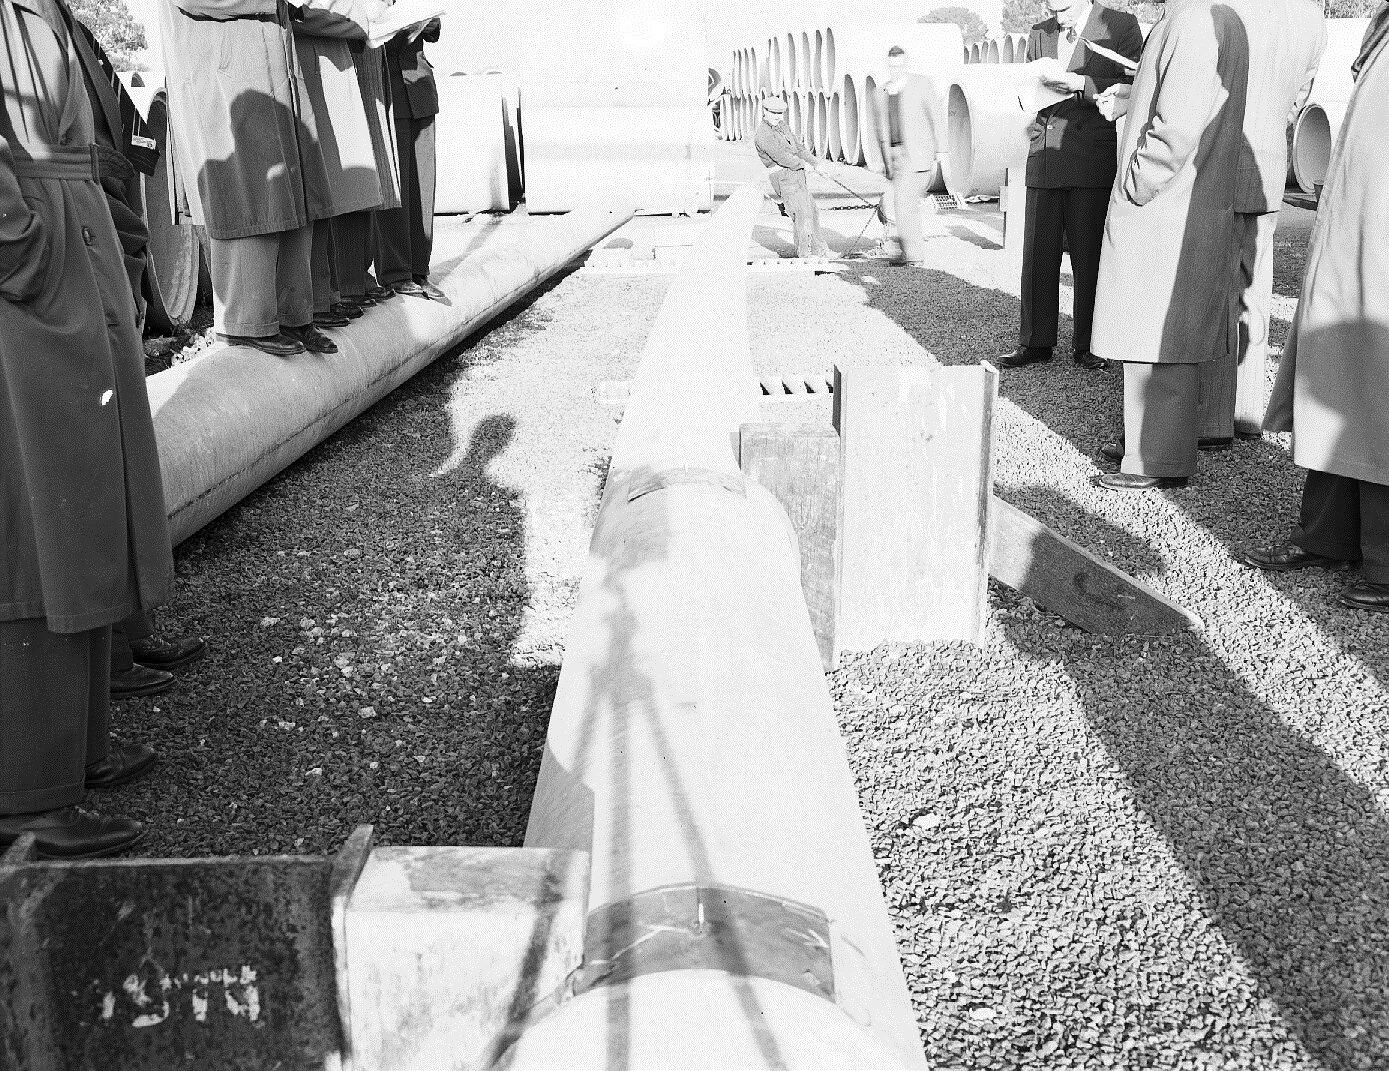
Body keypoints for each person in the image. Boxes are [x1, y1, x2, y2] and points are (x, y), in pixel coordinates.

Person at [2, 0, 174, 857]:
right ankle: (28, 789)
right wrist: (26, 249)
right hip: (34, 267)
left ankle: (74, 754)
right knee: (34, 528)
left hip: (66, 235)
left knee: (79, 507)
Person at [60, 6, 207, 700]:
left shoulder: (93, 19)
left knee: (121, 449)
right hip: (80, 221)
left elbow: (138, 124)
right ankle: (116, 645)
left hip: (107, 215)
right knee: (95, 455)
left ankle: (131, 629)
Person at [1241, 6, 1389, 613]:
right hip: (1354, 234)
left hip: (1379, 247)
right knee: (1337, 379)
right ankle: (1327, 537)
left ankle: (1382, 557)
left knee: (1374, 396)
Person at [1089, 0, 1249, 491]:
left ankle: (1155, 458)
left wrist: (1135, 181)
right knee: (1164, 329)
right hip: (1187, 200)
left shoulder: (1192, 20)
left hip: (1166, 203)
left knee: (1157, 330)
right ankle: (1151, 444)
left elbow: (1175, 127)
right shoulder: (1216, 17)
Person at [158, 0, 337, 356]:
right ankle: (246, 323)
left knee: (291, 192)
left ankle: (293, 316)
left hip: (270, 66)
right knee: (250, 196)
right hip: (227, 71)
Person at [1196, 0, 1326, 446]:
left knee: (1215, 294)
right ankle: (1246, 410)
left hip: (1221, 158)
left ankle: (1212, 420)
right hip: (1268, 159)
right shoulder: (1311, 15)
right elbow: (1299, 97)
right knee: (1255, 289)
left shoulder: (1225, 7)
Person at [1000, 0, 1143, 372]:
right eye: (1052, 9)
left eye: (1063, 10)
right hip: (1044, 154)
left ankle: (1090, 344)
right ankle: (1035, 342)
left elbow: (1139, 86)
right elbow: (1032, 90)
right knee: (1037, 256)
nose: (1056, 16)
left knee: (1089, 256)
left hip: (1088, 156)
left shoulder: (1119, 25)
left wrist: (1082, 84)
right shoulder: (1039, 33)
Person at [293, 0, 389, 333]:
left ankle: (328, 293)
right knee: (322, 186)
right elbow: (300, 11)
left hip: (329, 60)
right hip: (309, 62)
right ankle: (321, 297)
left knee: (334, 186)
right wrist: (364, 20)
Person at [376, 18, 445, 301]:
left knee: (423, 186)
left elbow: (435, 29)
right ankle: (396, 273)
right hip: (387, 85)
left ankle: (419, 269)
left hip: (419, 86)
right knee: (395, 183)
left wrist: (426, 22)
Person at [873, 45, 943, 267]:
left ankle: (912, 254)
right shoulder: (880, 92)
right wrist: (884, 161)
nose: (896, 70)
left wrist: (941, 151)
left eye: (900, 65)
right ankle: (908, 251)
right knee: (903, 202)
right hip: (894, 155)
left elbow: (937, 118)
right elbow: (880, 129)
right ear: (888, 65)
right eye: (892, 66)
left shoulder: (922, 84)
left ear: (906, 64)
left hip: (917, 153)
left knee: (904, 201)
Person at [753, 96, 830, 260]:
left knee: (812, 211)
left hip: (797, 174)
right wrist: (805, 165)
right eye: (773, 112)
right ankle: (806, 253)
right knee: (802, 214)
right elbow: (783, 157)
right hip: (784, 176)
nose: (776, 116)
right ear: (764, 112)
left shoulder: (783, 127)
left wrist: (816, 163)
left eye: (779, 113)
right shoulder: (763, 134)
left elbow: (799, 148)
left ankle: (819, 250)